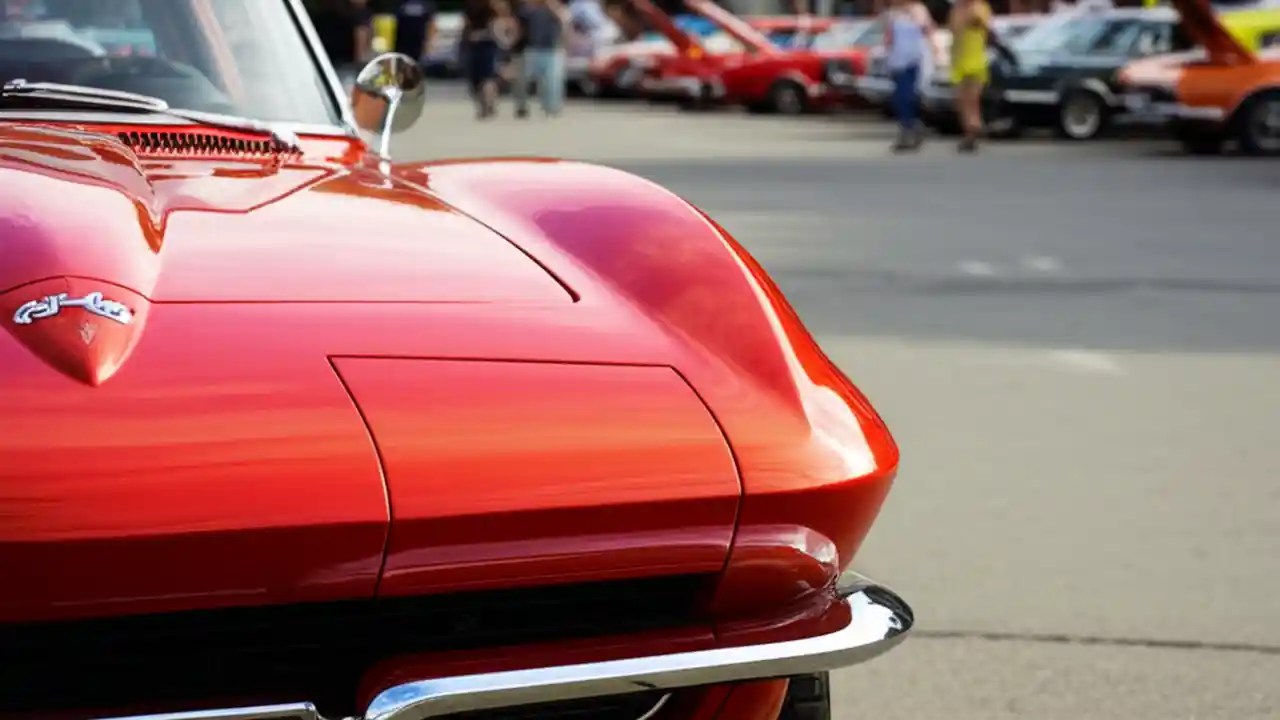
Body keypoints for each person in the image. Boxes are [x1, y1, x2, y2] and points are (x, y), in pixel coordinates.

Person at [881, 0, 942, 152]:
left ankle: (911, 128)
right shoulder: (892, 13)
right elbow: (889, 36)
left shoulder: (918, 10)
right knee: (898, 97)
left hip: (913, 59)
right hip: (897, 59)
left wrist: (933, 49)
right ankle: (908, 127)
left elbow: (928, 30)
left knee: (907, 94)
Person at [948, 0, 1008, 153]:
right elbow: (954, 29)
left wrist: (971, 17)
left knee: (972, 99)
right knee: (961, 101)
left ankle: (973, 130)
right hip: (959, 61)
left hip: (976, 60)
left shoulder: (980, 8)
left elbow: (985, 25)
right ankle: (970, 130)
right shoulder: (957, 9)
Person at [513, 0, 570, 118]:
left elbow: (565, 23)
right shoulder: (527, 9)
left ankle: (551, 107)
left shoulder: (558, 9)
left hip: (553, 50)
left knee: (552, 81)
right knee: (524, 80)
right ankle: (521, 105)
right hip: (532, 48)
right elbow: (519, 27)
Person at [461, 0, 501, 118]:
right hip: (487, 44)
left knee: (478, 79)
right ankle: (489, 104)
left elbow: (466, 24)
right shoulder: (493, 6)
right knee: (487, 78)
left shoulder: (471, 5)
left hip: (477, 45)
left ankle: (484, 106)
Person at [394, 0, 437, 66]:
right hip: (403, 42)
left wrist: (429, 42)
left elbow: (431, 23)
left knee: (415, 65)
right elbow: (396, 23)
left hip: (418, 42)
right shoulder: (402, 3)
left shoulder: (426, 4)